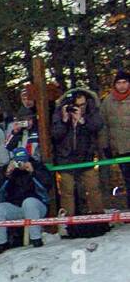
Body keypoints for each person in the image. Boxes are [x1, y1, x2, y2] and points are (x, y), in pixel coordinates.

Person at [50, 87, 105, 223]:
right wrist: (64, 120)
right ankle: (68, 223)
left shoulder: (92, 110)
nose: (79, 107)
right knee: (67, 191)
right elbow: (55, 135)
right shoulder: (61, 111)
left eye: (82, 104)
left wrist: (82, 120)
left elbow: (97, 126)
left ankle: (99, 218)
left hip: (86, 155)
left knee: (93, 188)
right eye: (76, 105)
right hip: (65, 157)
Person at [0, 148, 54, 252]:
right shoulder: (8, 169)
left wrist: (33, 173)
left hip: (37, 206)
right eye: (18, 161)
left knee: (29, 202)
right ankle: (0, 243)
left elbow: (47, 185)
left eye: (23, 160)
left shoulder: (37, 165)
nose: (21, 164)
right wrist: (6, 175)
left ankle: (36, 239)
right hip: (16, 207)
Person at [99, 69, 130, 208]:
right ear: (115, 85)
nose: (122, 85)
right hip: (121, 148)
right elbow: (103, 126)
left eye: (125, 82)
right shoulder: (107, 102)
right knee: (128, 180)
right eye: (119, 83)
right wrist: (106, 146)